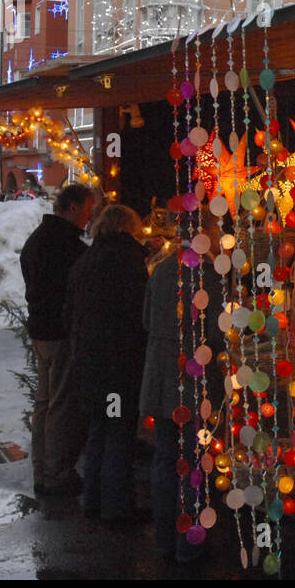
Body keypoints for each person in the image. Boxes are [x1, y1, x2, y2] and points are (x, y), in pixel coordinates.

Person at [141, 212, 226, 564]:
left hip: (159, 377)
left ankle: (164, 541)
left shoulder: (161, 269)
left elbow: (146, 320)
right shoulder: (207, 275)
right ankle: (189, 546)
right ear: (205, 234)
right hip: (194, 377)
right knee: (193, 462)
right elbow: (219, 331)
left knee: (165, 460)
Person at [64, 204, 149, 524]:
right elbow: (138, 316)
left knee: (98, 431)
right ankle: (116, 508)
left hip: (89, 364)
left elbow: (68, 313)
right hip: (118, 365)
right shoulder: (129, 263)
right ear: (129, 229)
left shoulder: (84, 261)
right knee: (119, 434)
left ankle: (93, 500)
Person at [19, 183, 95, 496]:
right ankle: (56, 472)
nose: (90, 216)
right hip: (59, 332)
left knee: (45, 401)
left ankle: (42, 469)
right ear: (74, 207)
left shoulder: (38, 240)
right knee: (60, 403)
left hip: (40, 329)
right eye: (89, 208)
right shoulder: (66, 246)